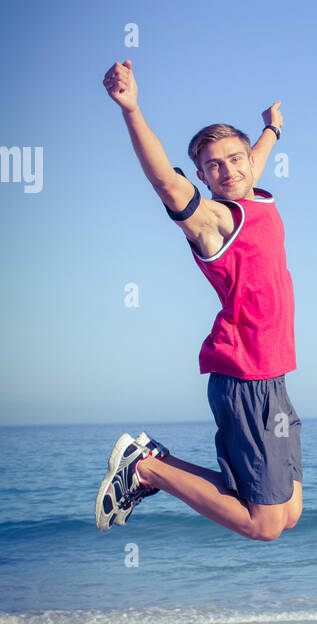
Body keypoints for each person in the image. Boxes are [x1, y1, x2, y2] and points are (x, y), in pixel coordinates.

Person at [94, 59, 302, 542]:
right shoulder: (216, 221)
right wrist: (131, 109)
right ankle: (146, 469)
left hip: (274, 377)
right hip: (244, 377)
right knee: (265, 525)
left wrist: (272, 129)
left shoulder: (256, 197)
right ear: (203, 177)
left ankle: (152, 461)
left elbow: (255, 157)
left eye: (235, 159)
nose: (228, 171)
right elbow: (166, 183)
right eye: (214, 166)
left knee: (287, 511)